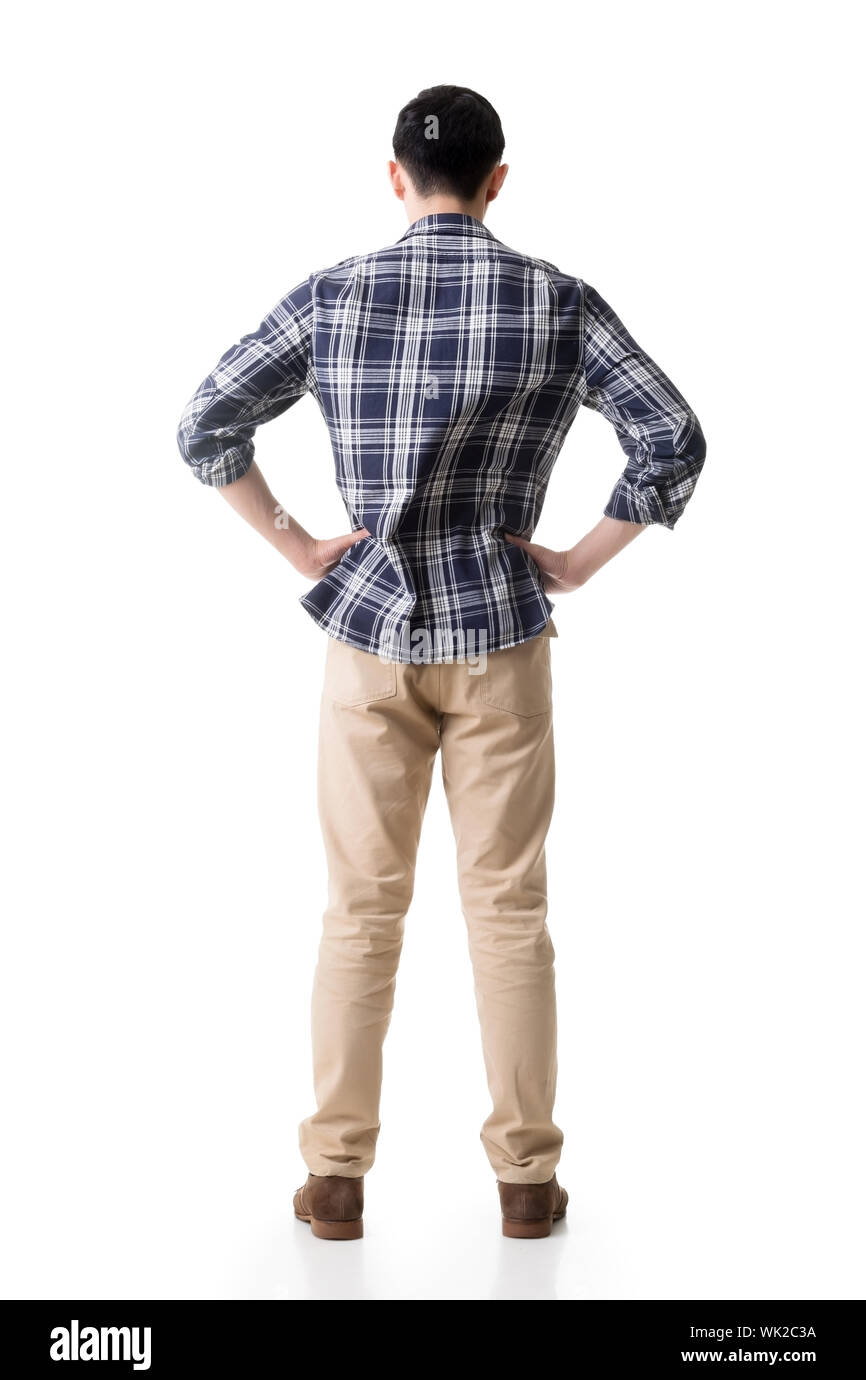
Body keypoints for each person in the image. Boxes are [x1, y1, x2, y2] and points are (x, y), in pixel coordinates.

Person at [176, 84, 707, 1241]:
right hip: (501, 641)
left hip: (365, 640)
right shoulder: (556, 300)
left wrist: (300, 546)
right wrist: (577, 558)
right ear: (498, 178)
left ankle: (333, 1180)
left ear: (393, 176)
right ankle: (525, 1183)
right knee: (508, 907)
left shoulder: (333, 294)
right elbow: (672, 436)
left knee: (359, 911)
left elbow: (205, 423)